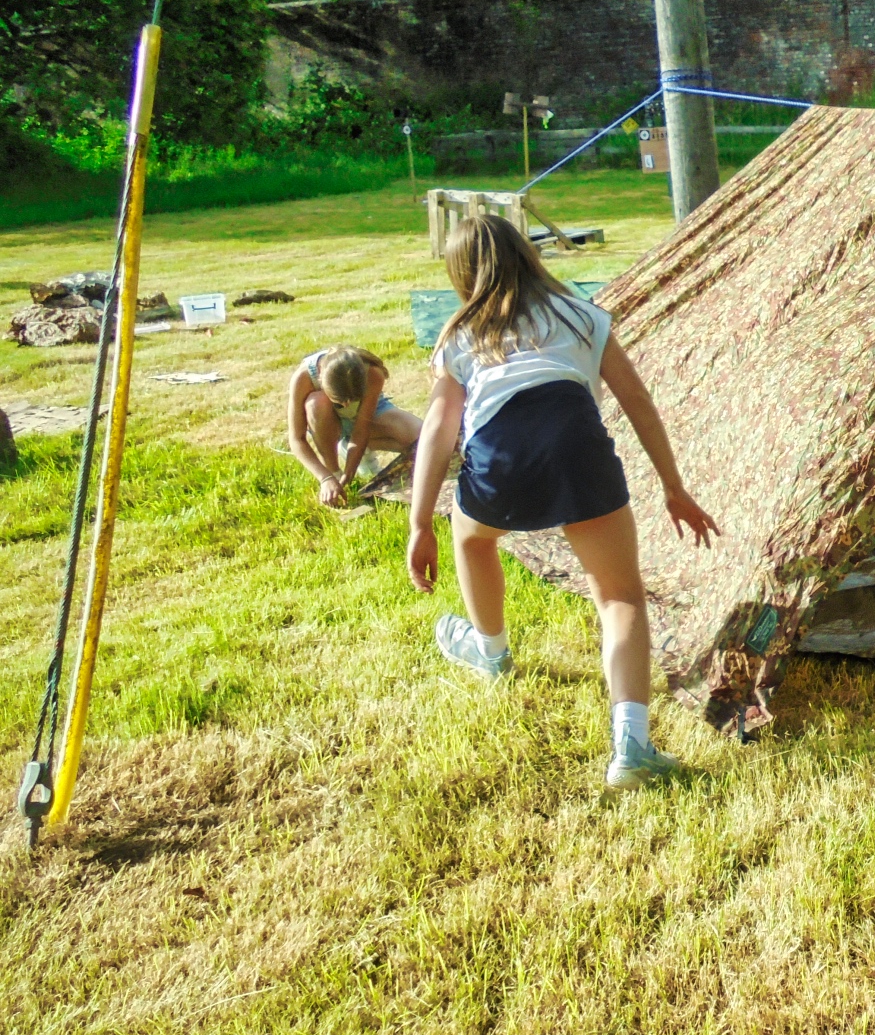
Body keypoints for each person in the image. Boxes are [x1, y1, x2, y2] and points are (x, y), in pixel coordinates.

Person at [408, 215, 720, 788]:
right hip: (579, 448)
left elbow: (437, 428)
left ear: (460, 275)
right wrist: (674, 487)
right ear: (529, 255)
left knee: (472, 539)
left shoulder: (458, 336)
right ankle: (632, 745)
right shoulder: (582, 315)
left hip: (499, 458)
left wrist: (421, 521)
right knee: (621, 596)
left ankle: (491, 650)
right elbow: (636, 401)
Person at [288, 345, 421, 506]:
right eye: (339, 401)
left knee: (421, 438)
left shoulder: (372, 372)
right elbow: (296, 439)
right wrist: (326, 478)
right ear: (321, 380)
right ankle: (334, 471)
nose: (346, 404)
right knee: (316, 404)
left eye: (353, 399)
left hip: (366, 418)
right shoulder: (303, 377)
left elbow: (361, 429)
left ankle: (357, 452)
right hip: (328, 421)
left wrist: (350, 472)